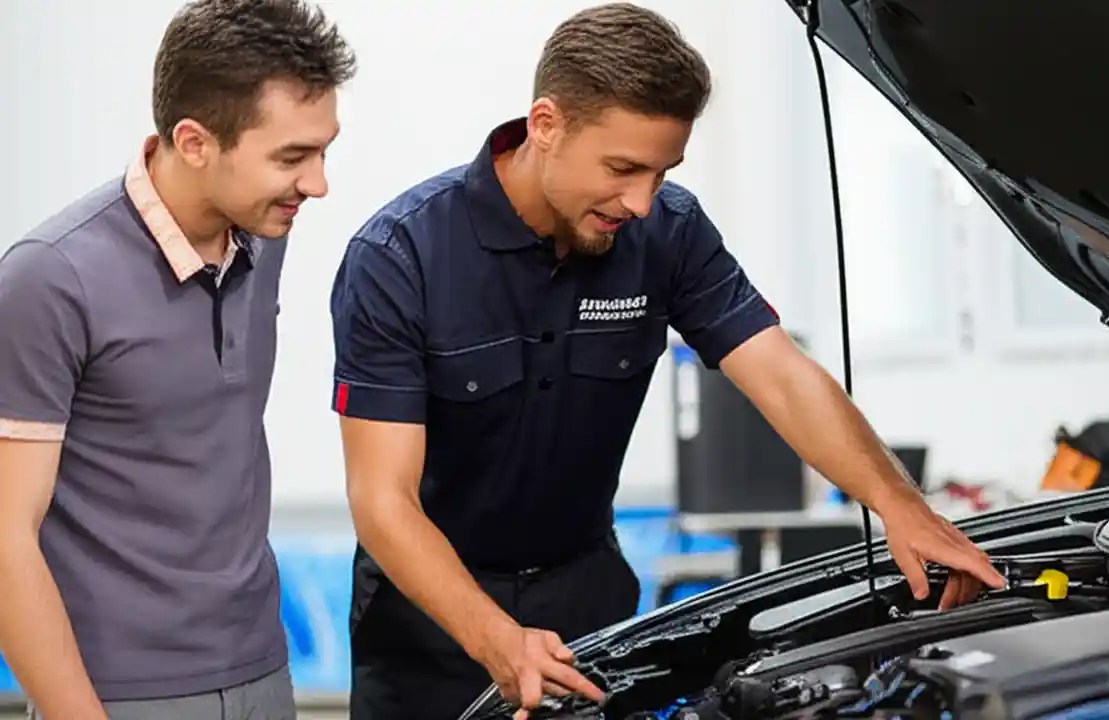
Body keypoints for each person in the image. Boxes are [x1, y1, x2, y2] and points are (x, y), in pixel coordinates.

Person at [329, 3, 1004, 718]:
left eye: (661, 171)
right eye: (622, 168)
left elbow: (779, 374)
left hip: (590, 603)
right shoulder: (400, 258)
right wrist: (496, 638)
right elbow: (382, 500)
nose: (642, 202)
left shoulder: (670, 233)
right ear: (546, 125)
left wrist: (901, 507)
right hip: (433, 624)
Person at [0, 2, 355, 718]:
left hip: (263, 671)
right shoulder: (50, 278)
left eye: (324, 151)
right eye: (291, 157)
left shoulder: (265, 231)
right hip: (116, 693)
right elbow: (5, 535)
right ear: (194, 142)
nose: (318, 184)